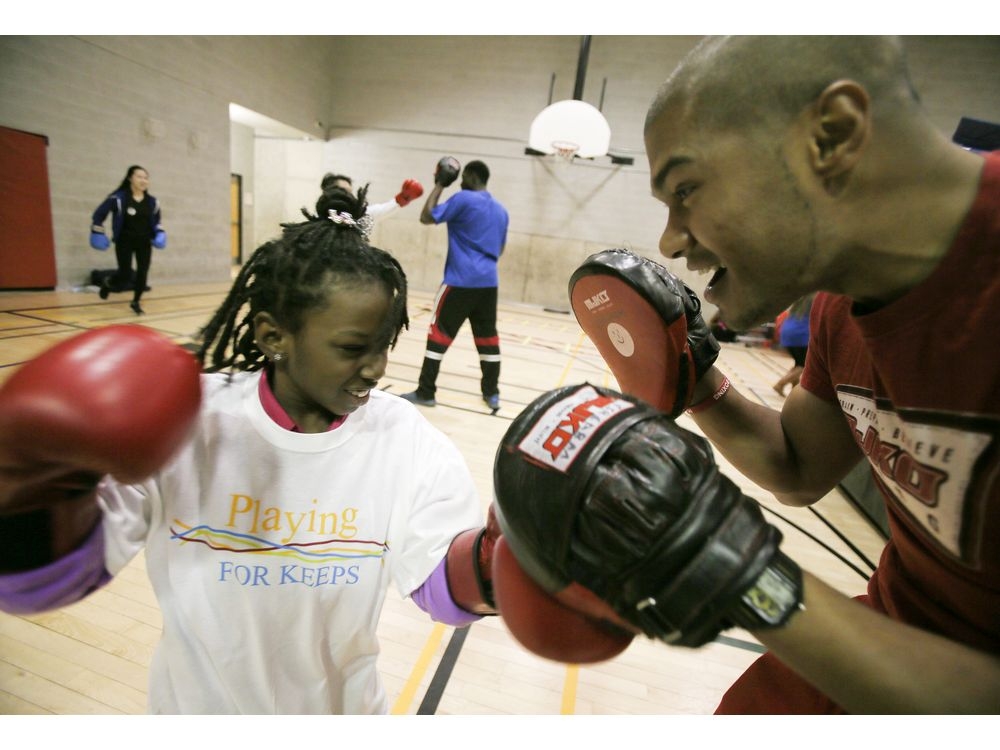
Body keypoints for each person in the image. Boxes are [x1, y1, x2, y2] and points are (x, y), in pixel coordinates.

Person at [491, 35, 999, 715]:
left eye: (686, 188)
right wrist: (693, 381)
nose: (671, 239)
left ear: (833, 135)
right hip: (892, 635)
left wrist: (736, 570)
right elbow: (798, 465)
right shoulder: (842, 301)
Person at [0, 186, 500, 714]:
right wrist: (25, 484)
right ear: (273, 336)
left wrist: (506, 560)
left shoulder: (404, 438)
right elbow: (40, 583)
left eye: (383, 346)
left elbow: (444, 591)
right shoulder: (191, 422)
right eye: (353, 348)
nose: (376, 369)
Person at [401, 158, 509, 413]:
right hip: (488, 283)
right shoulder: (501, 210)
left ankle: (426, 392)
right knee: (488, 340)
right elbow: (500, 249)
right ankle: (492, 394)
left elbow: (426, 216)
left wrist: (439, 185)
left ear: (471, 176)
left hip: (460, 280)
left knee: (438, 335)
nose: (459, 182)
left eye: (462, 178)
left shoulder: (462, 199)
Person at [90, 165, 164, 315]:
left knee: (142, 273)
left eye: (146, 177)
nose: (143, 180)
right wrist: (97, 230)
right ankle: (108, 283)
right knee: (125, 274)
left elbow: (157, 221)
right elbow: (99, 214)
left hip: (144, 242)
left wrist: (160, 233)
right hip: (124, 241)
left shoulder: (152, 202)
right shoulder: (118, 198)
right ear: (130, 178)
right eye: (139, 176)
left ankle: (135, 302)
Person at [318, 172, 423, 239]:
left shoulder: (359, 216)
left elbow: (381, 210)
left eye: (350, 192)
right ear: (328, 192)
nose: (348, 196)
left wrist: (403, 198)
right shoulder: (316, 222)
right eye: (343, 191)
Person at [771, 293, 814, 396]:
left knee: (798, 363)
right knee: (804, 365)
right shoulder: (816, 298)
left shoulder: (801, 297)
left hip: (787, 331)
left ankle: (793, 390)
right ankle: (781, 384)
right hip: (800, 334)